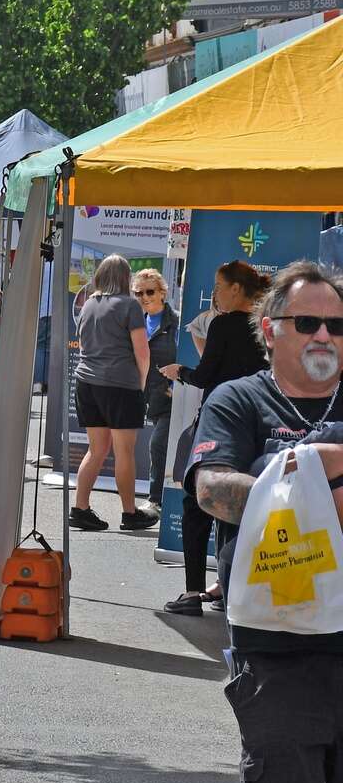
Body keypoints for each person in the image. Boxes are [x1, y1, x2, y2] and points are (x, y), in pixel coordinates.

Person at [188, 261, 343, 783]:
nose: (324, 335)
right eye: (307, 323)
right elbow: (211, 491)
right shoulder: (238, 400)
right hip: (278, 647)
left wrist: (284, 474)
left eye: (337, 326)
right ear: (270, 328)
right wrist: (316, 477)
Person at [158, 259, 270, 615]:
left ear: (236, 289)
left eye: (220, 287)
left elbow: (207, 375)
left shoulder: (224, 326)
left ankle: (192, 593)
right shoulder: (266, 327)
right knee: (235, 508)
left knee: (197, 504)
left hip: (219, 425)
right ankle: (225, 586)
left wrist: (181, 372)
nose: (216, 295)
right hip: (257, 427)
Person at [69, 253, 158, 531]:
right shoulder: (130, 306)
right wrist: (141, 384)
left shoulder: (88, 305)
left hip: (86, 382)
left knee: (96, 450)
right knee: (124, 452)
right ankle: (129, 513)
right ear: (125, 277)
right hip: (120, 384)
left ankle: (80, 507)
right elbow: (142, 353)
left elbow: (84, 346)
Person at [133, 268, 179, 511]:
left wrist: (173, 385)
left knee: (158, 444)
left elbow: (186, 359)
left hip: (169, 397)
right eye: (138, 292)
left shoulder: (177, 323)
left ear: (163, 292)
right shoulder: (134, 323)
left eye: (150, 291)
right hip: (143, 395)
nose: (144, 297)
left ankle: (155, 500)